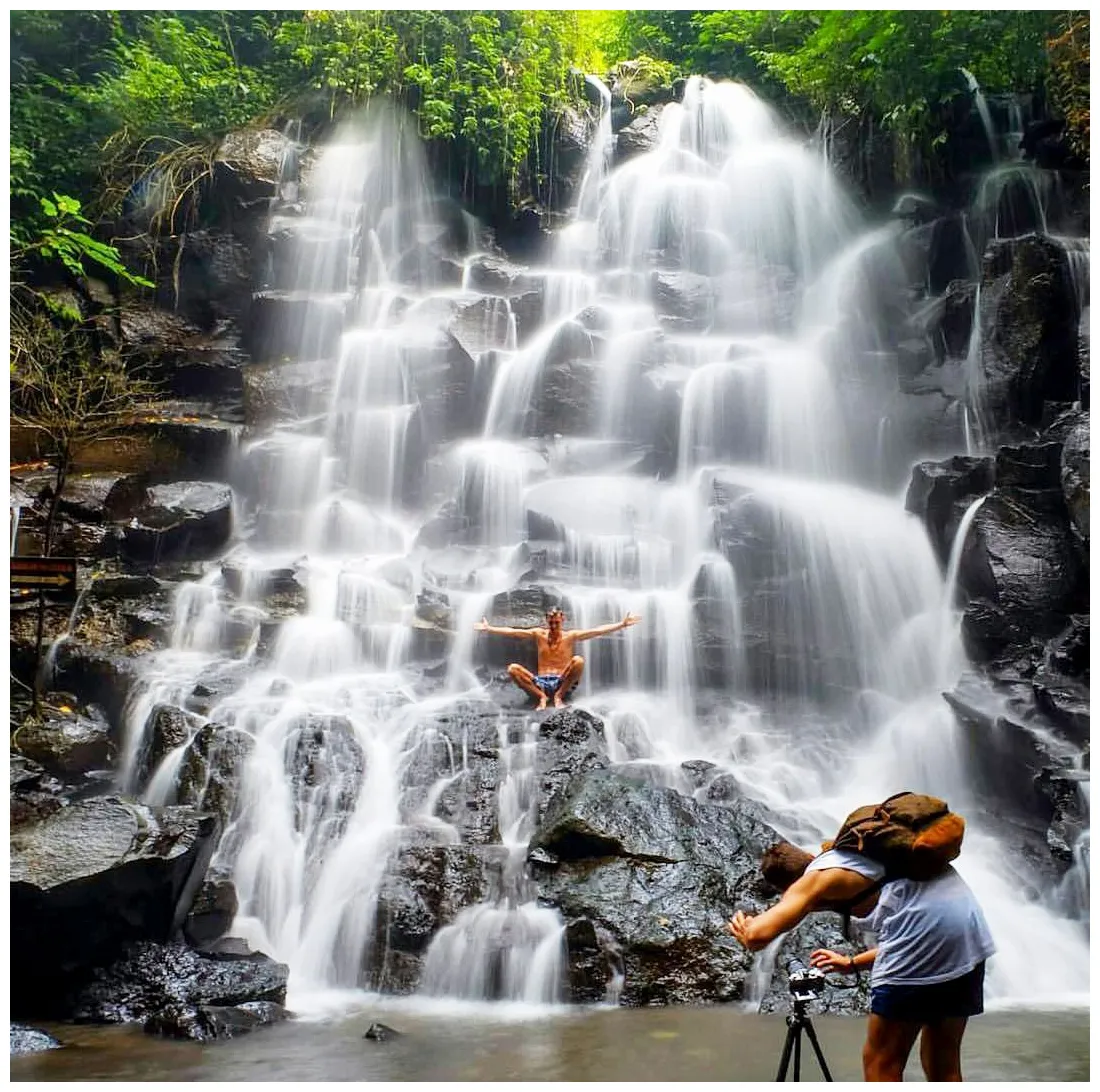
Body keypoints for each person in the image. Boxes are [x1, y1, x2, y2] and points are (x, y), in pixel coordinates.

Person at [728, 840, 995, 1082]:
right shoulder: (854, 852)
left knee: (881, 1063)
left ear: (787, 889)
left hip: (925, 937)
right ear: (808, 855)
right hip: (968, 931)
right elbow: (920, 934)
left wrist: (745, 928)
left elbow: (757, 937)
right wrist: (852, 963)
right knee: (942, 1063)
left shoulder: (815, 879)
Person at [474, 606, 641, 710]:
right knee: (513, 669)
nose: (554, 626)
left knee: (578, 661)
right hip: (540, 681)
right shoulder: (539, 634)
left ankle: (559, 696)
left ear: (562, 620)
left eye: (557, 623)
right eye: (551, 622)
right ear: (547, 621)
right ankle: (541, 697)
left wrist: (621, 625)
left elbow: (596, 631)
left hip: (563, 681)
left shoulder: (570, 636)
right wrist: (489, 629)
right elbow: (514, 632)